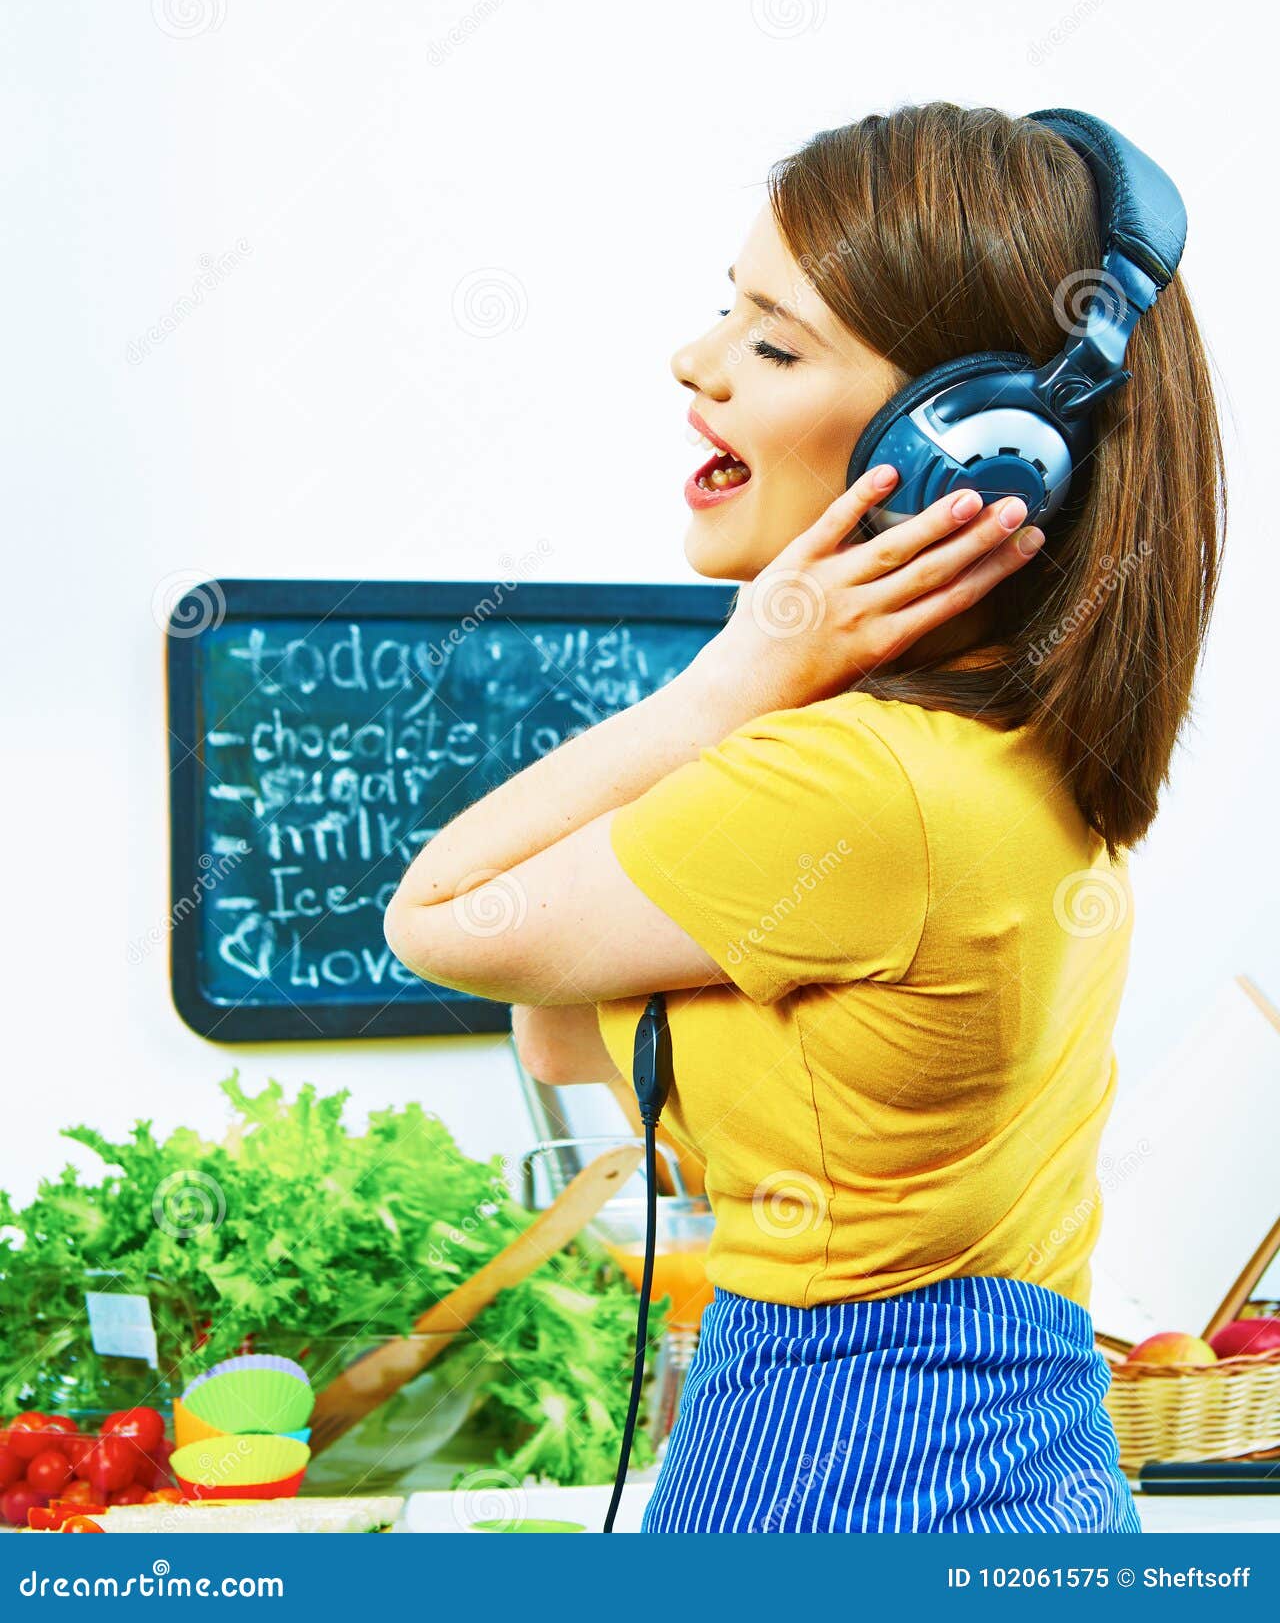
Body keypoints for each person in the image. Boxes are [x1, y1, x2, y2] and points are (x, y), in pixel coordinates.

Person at [384, 102, 1226, 1532]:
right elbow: (562, 1031)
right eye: (729, 309)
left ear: (977, 457)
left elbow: (441, 918)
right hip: (990, 1475)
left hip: (847, 1484)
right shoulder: (996, 760)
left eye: (773, 345)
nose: (696, 360)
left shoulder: (854, 786)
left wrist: (726, 683)